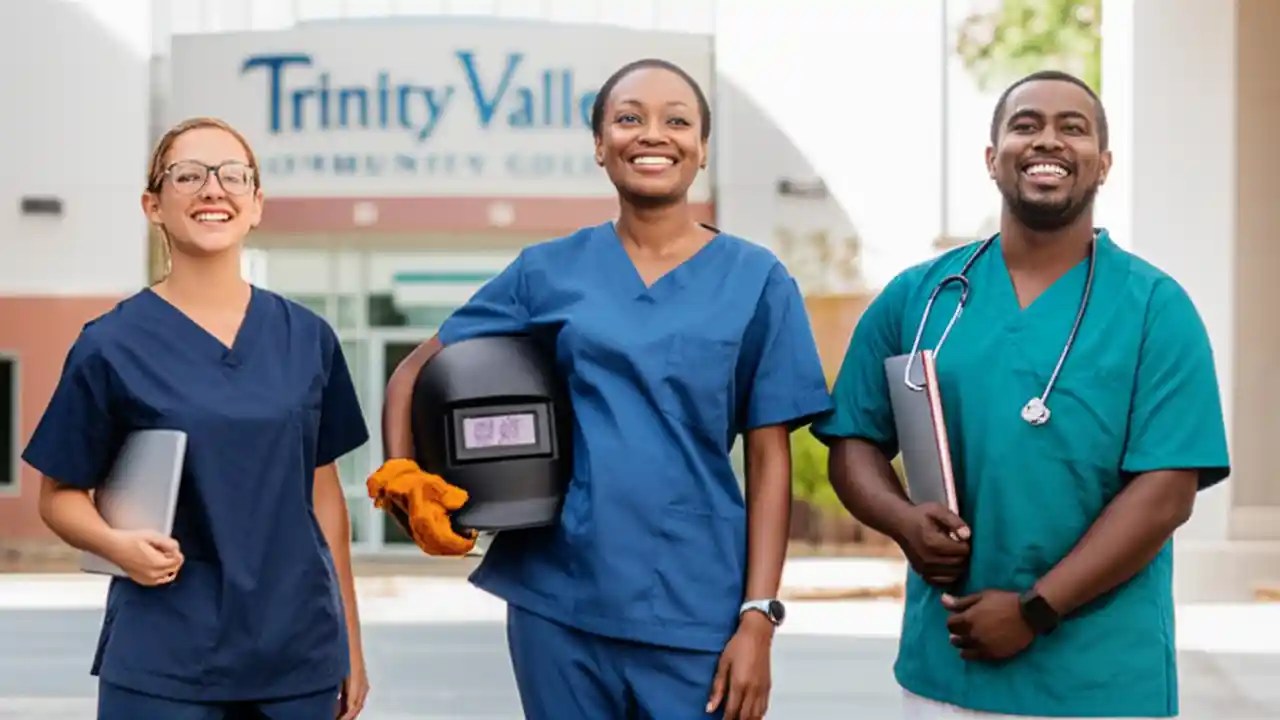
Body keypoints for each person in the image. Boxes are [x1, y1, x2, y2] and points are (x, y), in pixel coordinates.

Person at [367, 58, 832, 720]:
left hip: (696, 603)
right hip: (559, 599)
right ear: (599, 145)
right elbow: (414, 371)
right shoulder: (547, 271)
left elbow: (768, 457)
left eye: (677, 121)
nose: (652, 134)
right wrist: (404, 478)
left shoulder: (757, 280)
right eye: (628, 118)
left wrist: (758, 616)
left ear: (701, 149)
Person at [811, 70, 1230, 719]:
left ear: (1104, 162)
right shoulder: (920, 295)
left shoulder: (1156, 309)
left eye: (1073, 128)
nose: (1048, 142)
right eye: (1026, 125)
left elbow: (1165, 493)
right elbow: (853, 442)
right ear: (991, 156)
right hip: (946, 669)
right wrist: (901, 523)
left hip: (1101, 682)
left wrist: (1037, 609)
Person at [23, 117, 371, 719]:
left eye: (233, 176)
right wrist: (116, 544)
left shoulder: (307, 338)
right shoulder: (111, 345)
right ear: (153, 205)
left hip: (296, 655)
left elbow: (324, 497)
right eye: (188, 176)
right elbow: (59, 495)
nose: (214, 190)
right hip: (165, 657)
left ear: (256, 203)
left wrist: (351, 643)